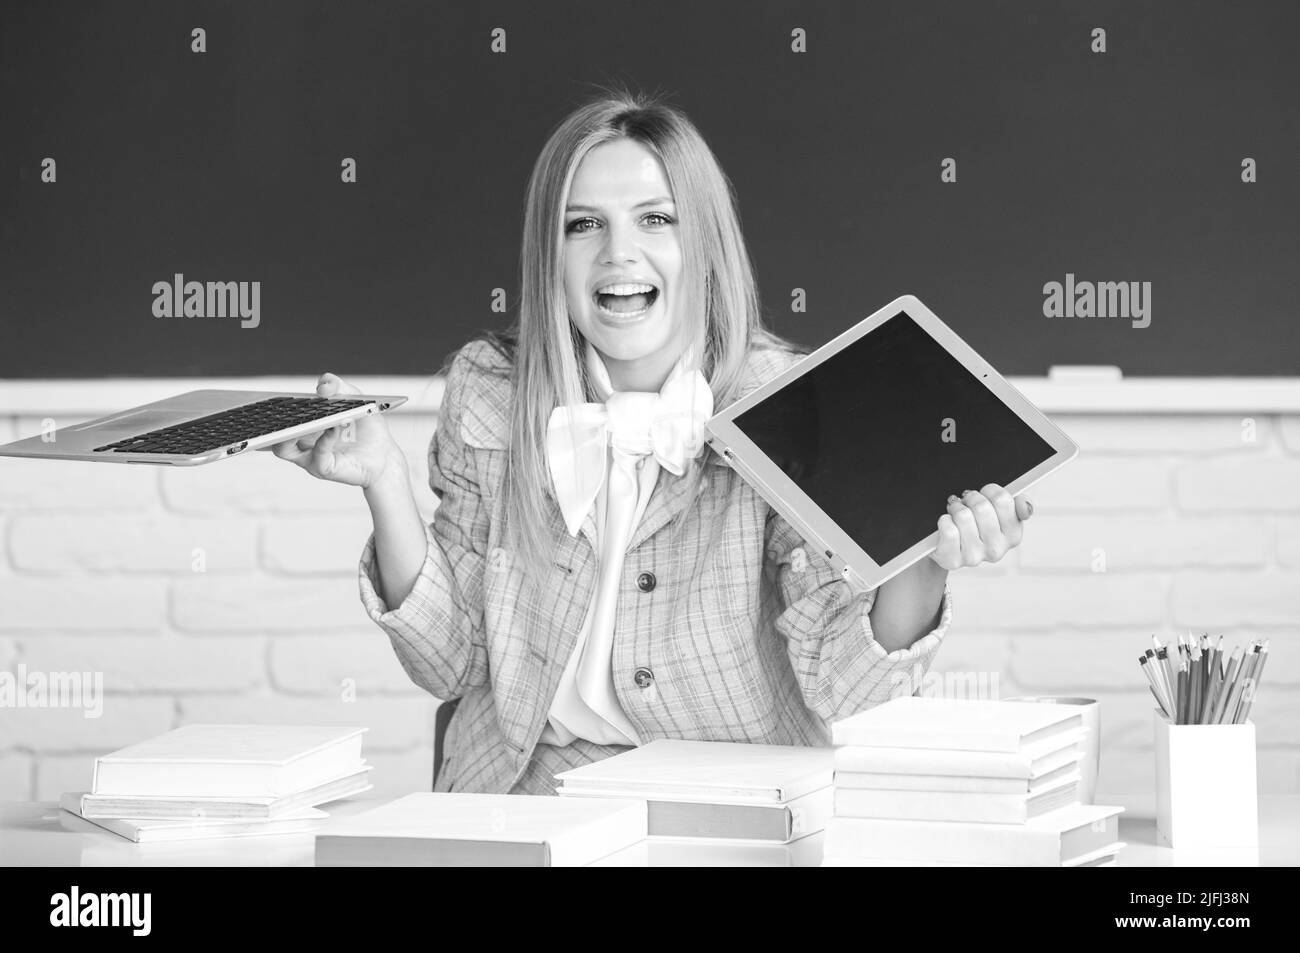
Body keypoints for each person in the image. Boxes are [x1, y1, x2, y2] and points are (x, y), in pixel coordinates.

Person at [263, 87, 1033, 795]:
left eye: (654, 219)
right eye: (583, 224)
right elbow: (450, 660)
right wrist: (384, 484)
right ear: (551, 257)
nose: (617, 253)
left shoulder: (783, 401)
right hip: (523, 804)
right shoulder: (490, 390)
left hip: (728, 814)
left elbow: (846, 688)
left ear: (703, 244)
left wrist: (923, 560)